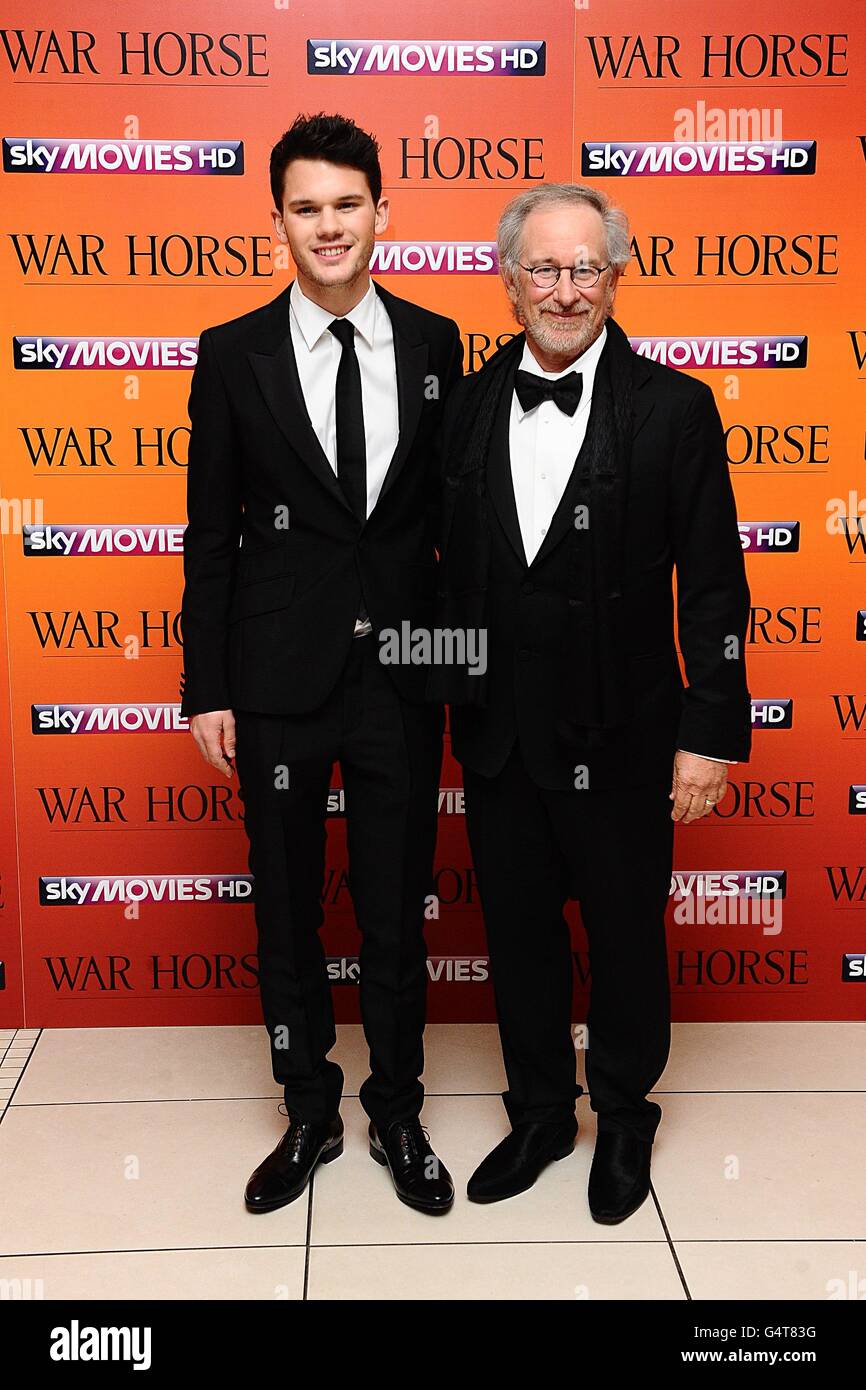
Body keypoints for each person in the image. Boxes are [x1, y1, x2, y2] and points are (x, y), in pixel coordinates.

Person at [429, 183, 751, 1222]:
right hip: (498, 734)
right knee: (518, 933)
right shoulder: (469, 401)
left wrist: (707, 731)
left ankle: (621, 1112)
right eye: (542, 268)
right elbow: (435, 570)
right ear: (507, 278)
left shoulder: (673, 408)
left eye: (583, 269)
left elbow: (711, 586)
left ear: (613, 277)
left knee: (620, 934)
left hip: (623, 730)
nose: (562, 291)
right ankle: (536, 1112)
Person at [179, 112, 463, 1215]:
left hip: (401, 675)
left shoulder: (439, 344)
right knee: (286, 906)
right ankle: (308, 1108)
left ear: (382, 212)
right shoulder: (231, 352)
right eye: (307, 207)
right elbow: (208, 535)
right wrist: (207, 682)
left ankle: (397, 1110)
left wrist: (462, 664)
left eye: (348, 203)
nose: (329, 224)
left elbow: (454, 528)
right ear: (278, 222)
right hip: (276, 679)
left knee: (396, 909)